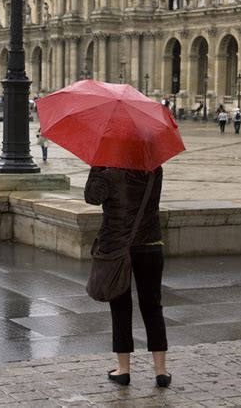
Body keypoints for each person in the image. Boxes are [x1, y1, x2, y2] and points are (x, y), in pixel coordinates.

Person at [84, 166, 170, 388]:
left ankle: (123, 370)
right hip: (151, 245)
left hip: (118, 250)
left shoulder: (109, 174)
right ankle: (161, 371)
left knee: (121, 307)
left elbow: (92, 197)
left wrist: (96, 166)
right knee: (153, 307)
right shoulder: (154, 170)